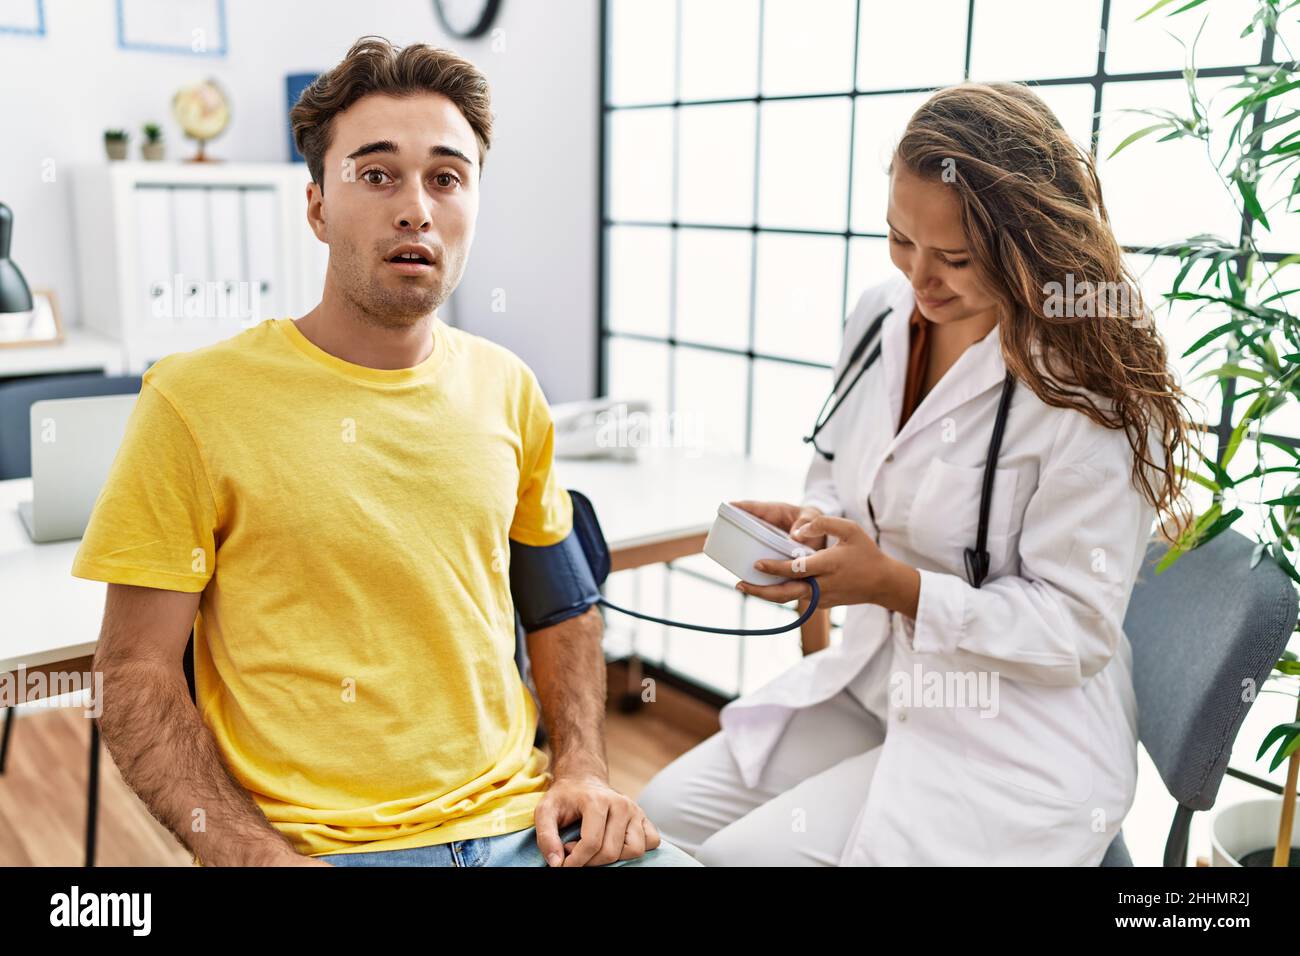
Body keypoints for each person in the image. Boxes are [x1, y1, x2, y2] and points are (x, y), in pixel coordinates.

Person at [72, 35, 697, 868]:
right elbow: (134, 670)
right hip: (325, 850)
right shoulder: (193, 400)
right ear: (318, 208)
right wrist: (247, 852)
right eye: (376, 175)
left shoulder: (509, 386)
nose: (417, 208)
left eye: (447, 177)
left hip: (530, 831)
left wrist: (582, 765)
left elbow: (560, 606)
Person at [637, 81, 1197, 867]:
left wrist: (895, 586)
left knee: (739, 860)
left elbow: (1075, 627)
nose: (921, 279)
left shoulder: (1089, 388)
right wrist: (814, 530)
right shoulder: (880, 312)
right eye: (901, 240)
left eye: (956, 258)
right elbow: (836, 465)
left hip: (1015, 736)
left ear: (1029, 245)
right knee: (660, 816)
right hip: (881, 678)